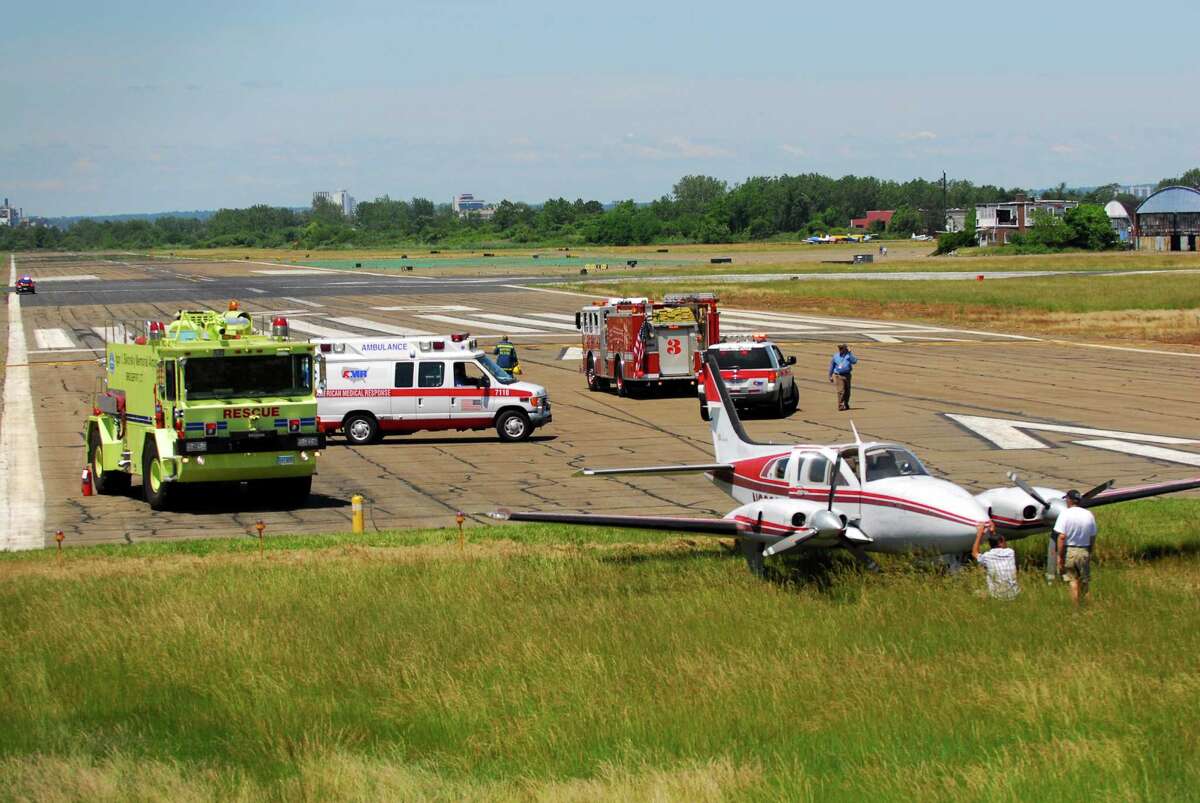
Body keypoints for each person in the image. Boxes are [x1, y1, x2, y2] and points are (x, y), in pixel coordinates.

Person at [1054, 490, 1097, 606]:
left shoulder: (1065, 514)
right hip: (1084, 550)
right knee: (1085, 582)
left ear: (1069, 500)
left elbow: (1062, 537)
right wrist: (1090, 551)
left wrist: (1059, 556)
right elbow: (1092, 536)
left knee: (1073, 581)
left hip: (1070, 551)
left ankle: (1075, 609)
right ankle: (1088, 607)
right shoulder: (1089, 514)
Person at [971, 521, 1019, 600]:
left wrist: (979, 535)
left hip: (997, 596)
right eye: (1004, 541)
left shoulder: (987, 556)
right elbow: (1002, 546)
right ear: (1000, 542)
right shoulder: (1010, 552)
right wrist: (993, 532)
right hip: (1013, 595)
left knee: (976, 593)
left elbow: (974, 553)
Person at [828, 344, 858, 411]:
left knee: (847, 391)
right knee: (841, 391)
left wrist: (850, 353)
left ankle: (846, 403)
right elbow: (832, 366)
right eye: (840, 348)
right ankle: (840, 405)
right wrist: (830, 376)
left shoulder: (848, 355)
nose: (840, 350)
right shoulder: (835, 356)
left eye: (842, 348)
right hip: (839, 375)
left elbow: (854, 361)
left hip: (847, 375)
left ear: (845, 349)